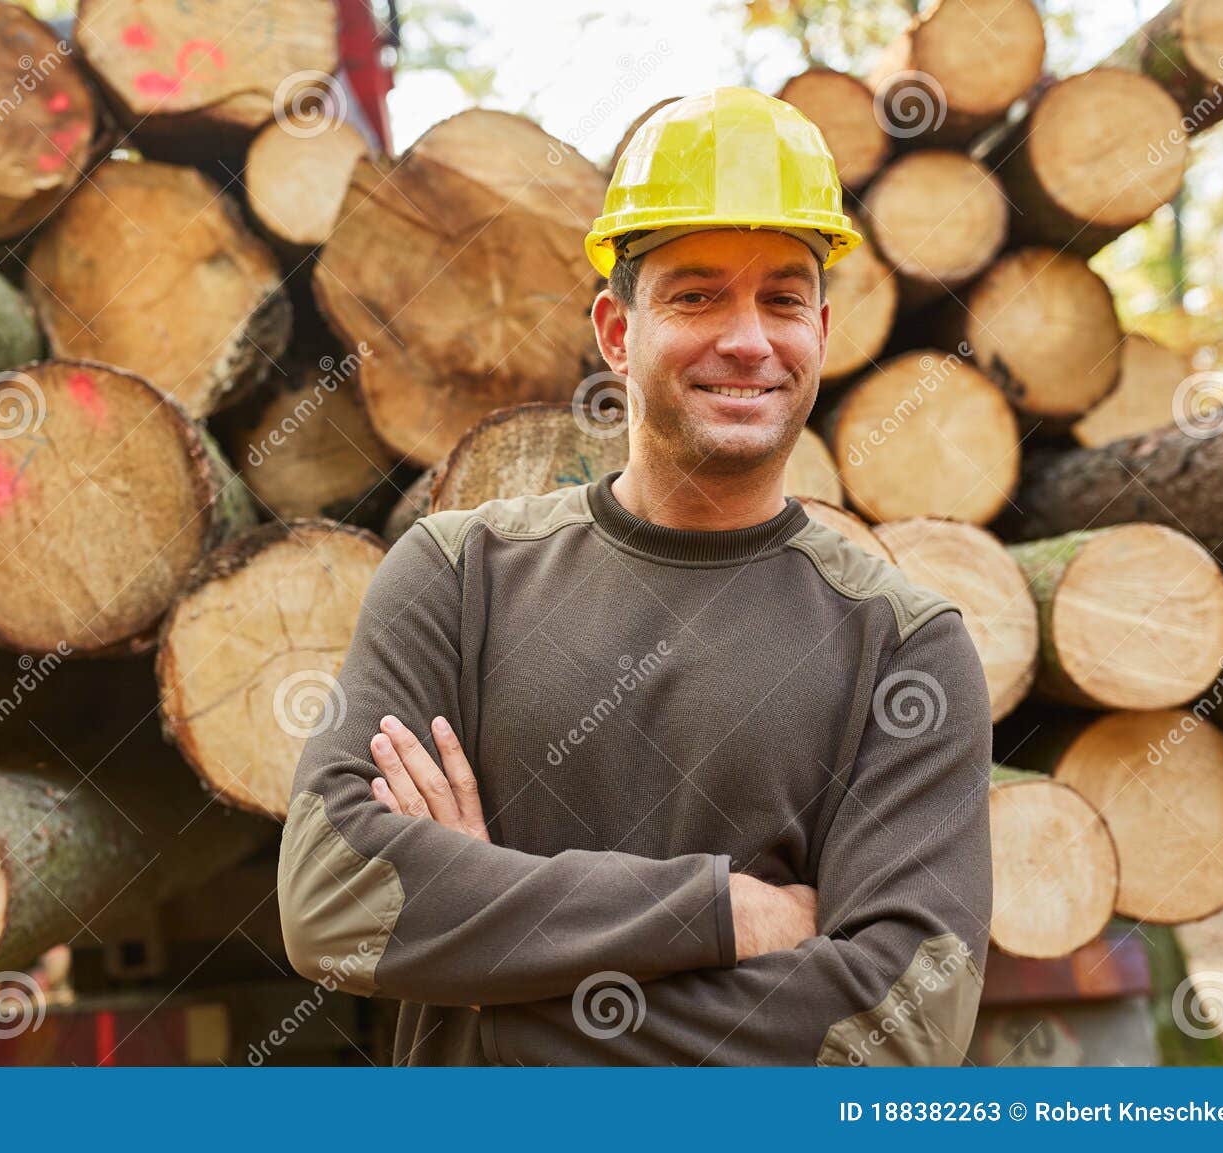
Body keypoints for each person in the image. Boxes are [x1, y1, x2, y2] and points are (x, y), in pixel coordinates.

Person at [276, 86, 992, 1065]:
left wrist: (489, 969)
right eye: (696, 294)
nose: (747, 338)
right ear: (616, 332)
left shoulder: (902, 647)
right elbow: (332, 900)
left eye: (781, 297)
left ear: (821, 331)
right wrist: (714, 911)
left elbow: (897, 1031)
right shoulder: (457, 578)